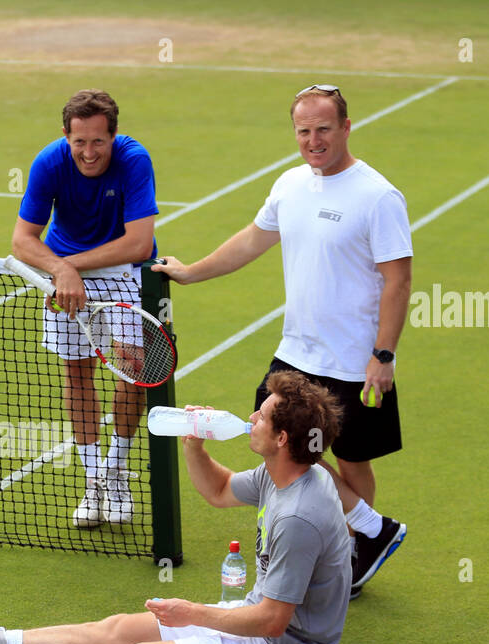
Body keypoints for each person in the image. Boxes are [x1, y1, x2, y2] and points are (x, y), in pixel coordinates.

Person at [0, 371, 351, 644]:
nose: (252, 417)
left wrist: (193, 614)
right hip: (259, 622)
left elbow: (271, 622)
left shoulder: (298, 517)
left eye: (262, 416)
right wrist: (194, 444)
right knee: (120, 629)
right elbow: (219, 490)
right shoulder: (288, 472)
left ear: (281, 439)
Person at [153, 84, 413, 599]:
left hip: (354, 361)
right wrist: (192, 272)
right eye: (303, 131)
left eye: (323, 129)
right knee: (287, 448)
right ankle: (373, 529)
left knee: (351, 460)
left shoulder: (378, 197)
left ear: (346, 127)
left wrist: (382, 355)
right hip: (295, 354)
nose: (313, 140)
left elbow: (398, 280)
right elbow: (253, 239)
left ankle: (355, 546)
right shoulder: (291, 184)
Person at [11, 89, 158, 528]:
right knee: (77, 374)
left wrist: (68, 267)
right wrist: (60, 269)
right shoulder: (48, 162)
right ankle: (94, 480)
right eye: (79, 142)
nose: (89, 152)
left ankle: (116, 471)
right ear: (66, 135)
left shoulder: (134, 160)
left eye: (98, 141)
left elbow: (139, 243)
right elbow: (21, 240)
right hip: (66, 273)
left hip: (123, 271)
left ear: (114, 135)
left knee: (133, 373)